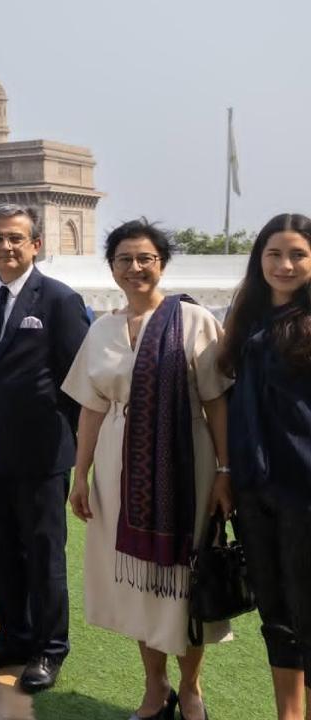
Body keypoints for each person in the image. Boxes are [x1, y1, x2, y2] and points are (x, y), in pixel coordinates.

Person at [63, 220, 231, 720]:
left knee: (186, 580)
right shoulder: (102, 328)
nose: (135, 268)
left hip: (189, 465)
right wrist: (80, 474)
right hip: (120, 467)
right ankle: (155, 687)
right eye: (124, 260)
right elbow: (91, 407)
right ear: (111, 268)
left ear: (162, 263)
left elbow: (217, 400)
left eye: (145, 259)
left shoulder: (194, 321)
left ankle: (192, 687)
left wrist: (226, 470)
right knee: (139, 586)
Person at [0, 203, 89, 693]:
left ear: (36, 244)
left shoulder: (58, 300)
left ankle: (49, 649)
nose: (6, 247)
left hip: (40, 458)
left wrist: (69, 452)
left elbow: (77, 382)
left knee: (43, 556)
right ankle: (12, 637)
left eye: (16, 238)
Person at [220, 213, 311, 720]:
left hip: (304, 488)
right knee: (275, 615)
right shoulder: (248, 318)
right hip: (256, 488)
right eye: (274, 253)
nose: (285, 264)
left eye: (298, 253)